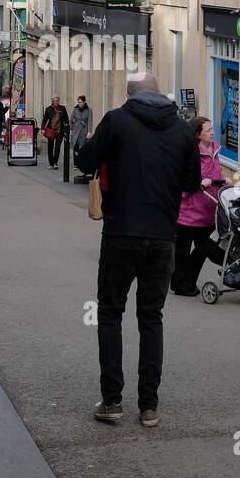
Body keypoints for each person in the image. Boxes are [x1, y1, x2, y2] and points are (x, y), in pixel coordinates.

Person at [75, 72, 201, 428]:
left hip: (121, 232)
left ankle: (112, 400)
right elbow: (192, 183)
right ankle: (149, 406)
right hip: (163, 236)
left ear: (128, 96)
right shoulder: (181, 129)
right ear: (159, 93)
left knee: (110, 313)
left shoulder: (116, 120)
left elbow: (84, 161)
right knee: (151, 318)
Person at [171, 116, 226, 297]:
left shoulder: (215, 151)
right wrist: (197, 184)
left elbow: (218, 174)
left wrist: (225, 181)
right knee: (182, 252)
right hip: (188, 213)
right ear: (197, 134)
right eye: (208, 130)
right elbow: (181, 180)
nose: (212, 133)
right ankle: (180, 285)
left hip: (208, 211)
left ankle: (187, 281)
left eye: (212, 129)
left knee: (203, 250)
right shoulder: (190, 153)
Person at [41, 95, 69, 170]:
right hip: (51, 130)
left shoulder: (62, 108)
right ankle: (51, 163)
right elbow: (45, 119)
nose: (56, 102)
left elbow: (66, 119)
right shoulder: (48, 109)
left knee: (57, 147)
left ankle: (55, 163)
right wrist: (43, 128)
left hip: (60, 130)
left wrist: (67, 128)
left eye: (57, 100)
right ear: (52, 101)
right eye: (55, 100)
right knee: (50, 147)